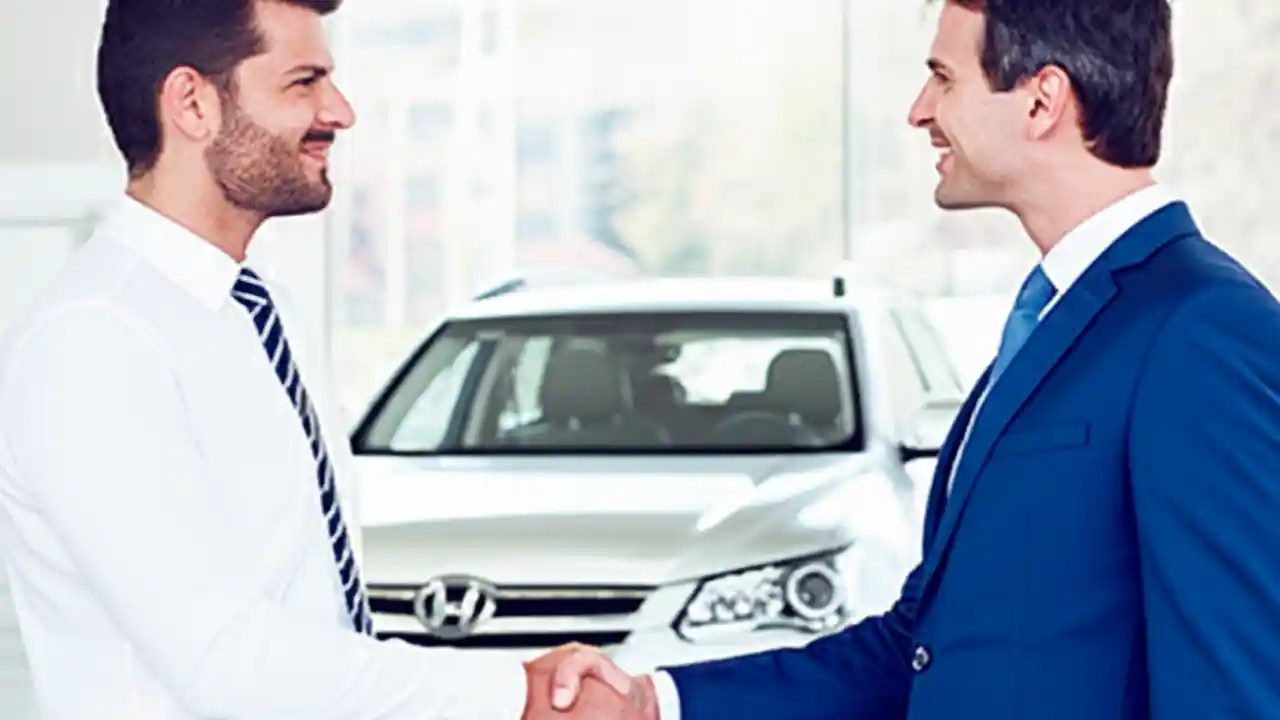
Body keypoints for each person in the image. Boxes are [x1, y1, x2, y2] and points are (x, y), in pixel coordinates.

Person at [545, 0, 1280, 718]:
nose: (920, 110)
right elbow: (924, 647)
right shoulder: (1054, 320)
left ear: (1041, 101)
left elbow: (1236, 687)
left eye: (944, 78)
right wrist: (654, 702)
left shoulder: (1201, 328)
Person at [0, 1, 635, 718]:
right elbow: (230, 660)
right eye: (303, 82)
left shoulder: (261, 312)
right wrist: (517, 694)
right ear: (192, 103)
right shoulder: (93, 340)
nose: (340, 111)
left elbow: (313, 619)